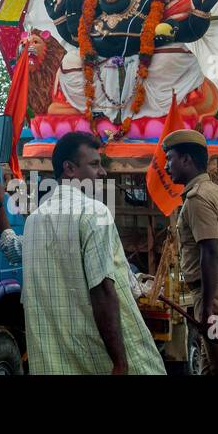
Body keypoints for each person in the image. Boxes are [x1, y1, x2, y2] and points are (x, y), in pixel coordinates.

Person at [20, 131, 165, 375]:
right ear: (69, 169)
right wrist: (119, 361)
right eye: (95, 164)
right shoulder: (93, 213)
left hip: (52, 361)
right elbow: (103, 291)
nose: (103, 172)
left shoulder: (33, 220)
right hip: (95, 358)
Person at [164, 128, 218, 375]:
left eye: (170, 158)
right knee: (212, 368)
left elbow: (210, 251)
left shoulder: (198, 198)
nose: (167, 166)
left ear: (186, 159)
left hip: (215, 301)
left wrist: (210, 305)